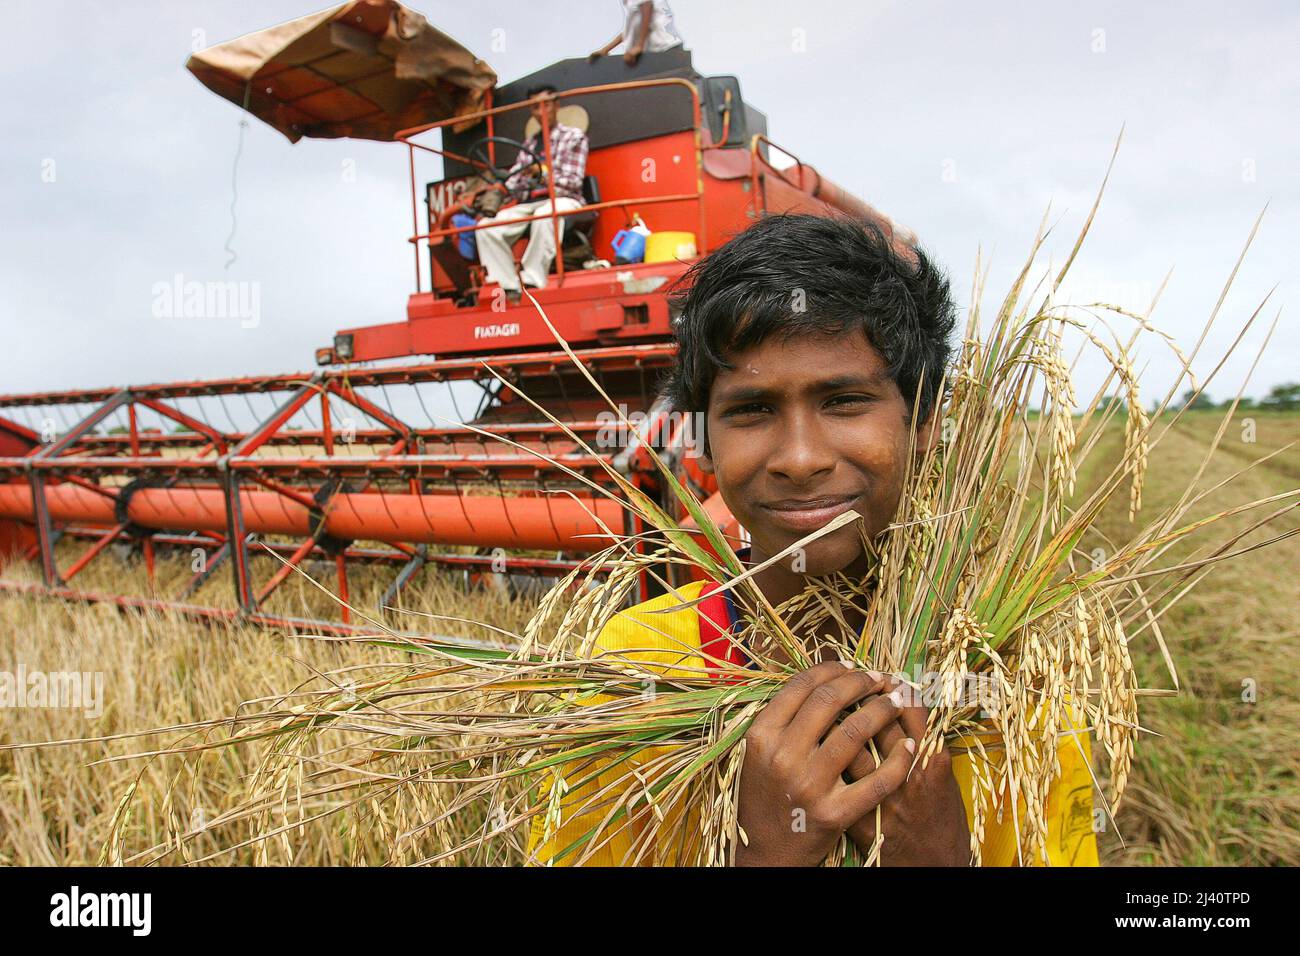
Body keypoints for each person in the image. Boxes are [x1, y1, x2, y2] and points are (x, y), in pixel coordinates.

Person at [527, 214, 1100, 867]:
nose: (800, 458)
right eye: (752, 409)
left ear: (924, 424)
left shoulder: (1006, 687)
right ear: (702, 444)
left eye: (845, 401)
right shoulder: (633, 671)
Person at [474, 85, 589, 304]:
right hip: (531, 202)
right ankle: (509, 287)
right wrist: (498, 189)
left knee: (545, 214)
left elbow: (573, 182)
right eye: (535, 107)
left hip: (565, 199)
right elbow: (515, 181)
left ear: (556, 105)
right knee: (484, 228)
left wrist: (542, 173)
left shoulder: (573, 137)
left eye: (546, 104)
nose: (541, 111)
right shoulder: (530, 144)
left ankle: (533, 281)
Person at [588, 1, 683, 66]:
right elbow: (631, 31)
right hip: (657, 51)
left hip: (666, 49)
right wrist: (605, 50)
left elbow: (647, 7)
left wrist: (639, 46)